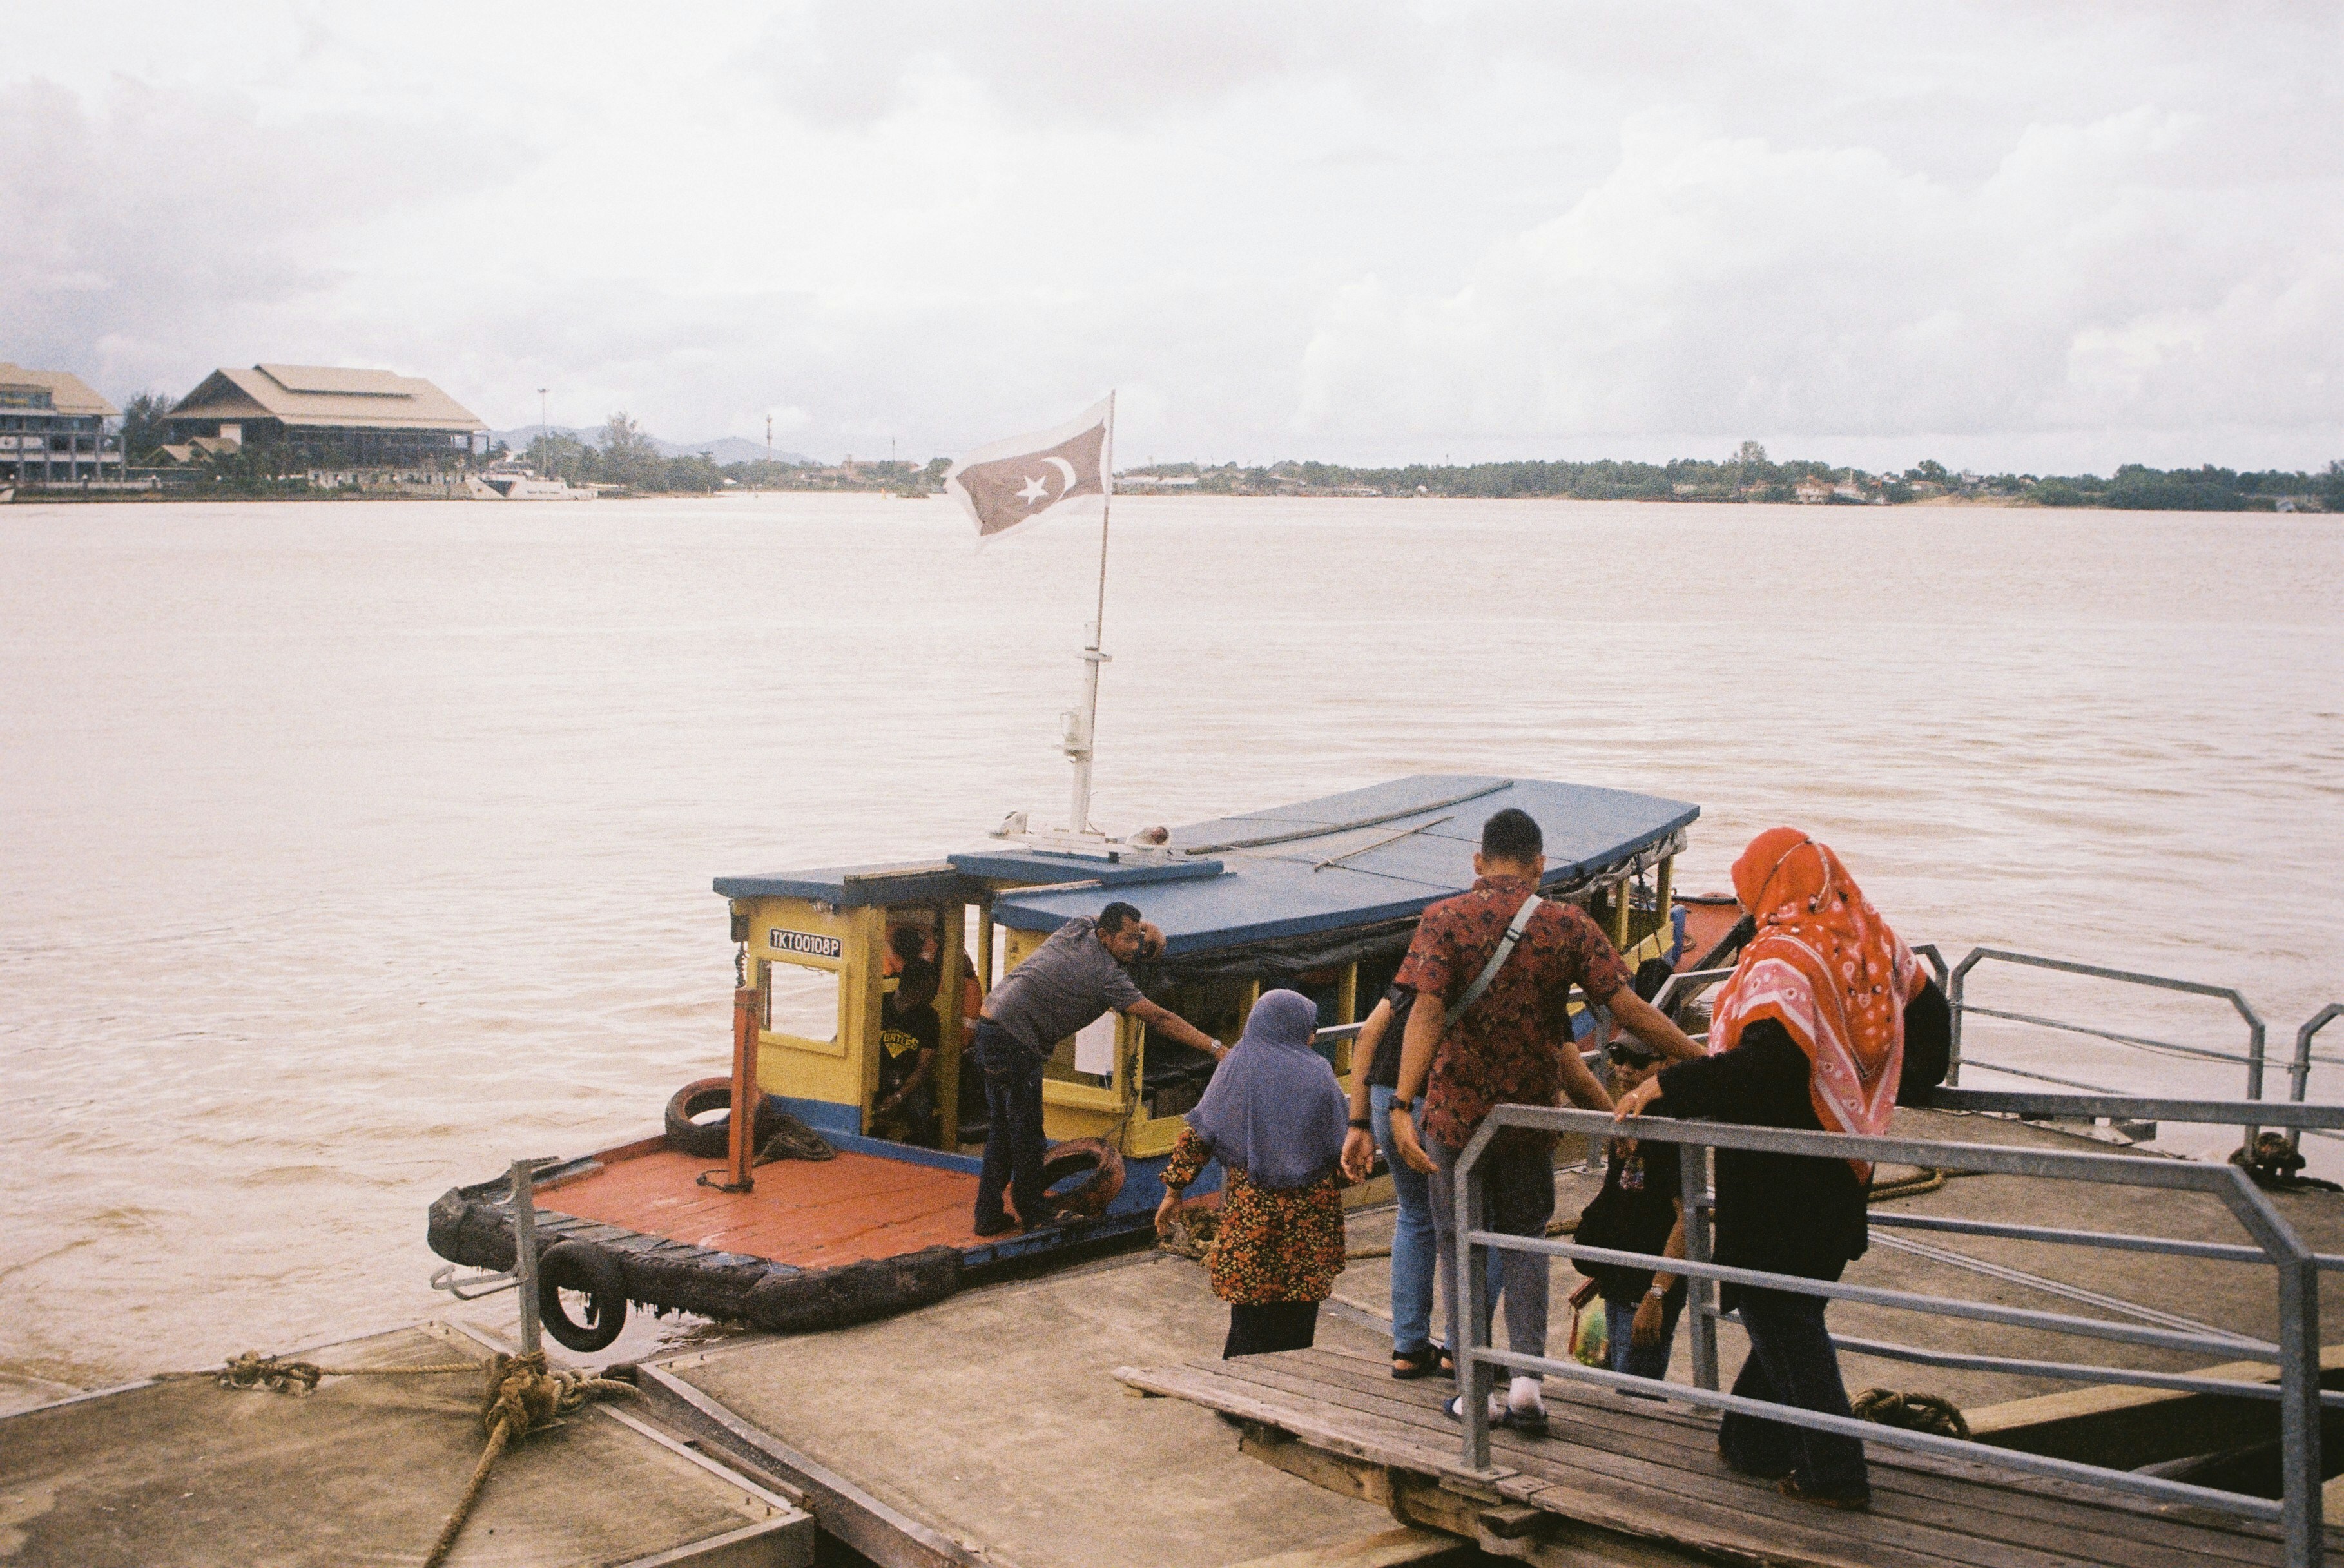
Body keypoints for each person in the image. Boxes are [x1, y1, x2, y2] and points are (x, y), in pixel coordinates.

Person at [1615, 828, 1951, 1512]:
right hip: (1838, 1175)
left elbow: (1773, 1064)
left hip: (1778, 1186)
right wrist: (1883, 1081)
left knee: (1779, 1312)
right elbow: (1931, 1028)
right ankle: (1756, 1442)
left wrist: (1668, 1087)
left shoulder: (1780, 959)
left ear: (1768, 885)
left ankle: (1836, 1474)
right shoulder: (1874, 941)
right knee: (1787, 1324)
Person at [1387, 808, 1706, 1434]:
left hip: (1453, 1120)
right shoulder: (1567, 924)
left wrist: (1400, 1104)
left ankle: (1474, 1390)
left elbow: (1424, 1014)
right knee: (1524, 1243)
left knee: (1460, 1246)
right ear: (1539, 866)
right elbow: (1627, 1009)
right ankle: (1527, 1384)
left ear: (1477, 863)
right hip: (1528, 1121)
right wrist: (1706, 1060)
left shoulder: (1442, 920)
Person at [971, 900, 1226, 1236]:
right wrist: (1216, 1048)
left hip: (989, 1024)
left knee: (1003, 1128)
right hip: (1016, 1039)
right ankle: (1034, 1214)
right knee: (1028, 1132)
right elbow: (1160, 1018)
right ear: (1106, 937)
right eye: (1128, 940)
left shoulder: (1079, 928)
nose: (1136, 948)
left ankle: (987, 1215)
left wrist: (1152, 930)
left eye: (1139, 939)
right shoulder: (1105, 976)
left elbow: (1099, 917)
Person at [1154, 990, 1351, 1356]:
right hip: (1310, 1218)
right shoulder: (1319, 1071)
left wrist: (1174, 1191)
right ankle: (1287, 1384)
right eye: (1311, 1028)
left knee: (1250, 1309)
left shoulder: (1236, 1067)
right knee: (1299, 1310)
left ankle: (1241, 1384)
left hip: (1253, 1213)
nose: (1312, 1036)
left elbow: (1200, 1133)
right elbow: (1343, 1144)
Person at [1339, 985, 1502, 1379]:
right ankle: (1461, 1349)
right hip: (1450, 1095)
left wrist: (1358, 1122)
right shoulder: (1510, 959)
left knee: (1415, 1215)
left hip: (1387, 1094)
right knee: (1486, 1222)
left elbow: (1368, 1034)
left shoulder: (1427, 954)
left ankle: (1409, 1349)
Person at [1571, 1034, 1687, 1389]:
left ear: (1665, 1065)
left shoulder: (1669, 1128)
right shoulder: (1627, 1121)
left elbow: (1688, 1220)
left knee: (1636, 1390)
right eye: (1618, 1058)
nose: (1624, 1070)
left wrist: (1657, 1295)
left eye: (1639, 1063)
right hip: (1618, 1279)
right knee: (1620, 1384)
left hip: (1646, 1285)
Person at [874, 952, 941, 1145]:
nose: (934, 995)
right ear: (914, 989)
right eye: (930, 990)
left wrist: (899, 1096)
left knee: (922, 1110)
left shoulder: (930, 1018)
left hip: (909, 1079)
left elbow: (923, 1068)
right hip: (877, 1074)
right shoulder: (878, 1005)